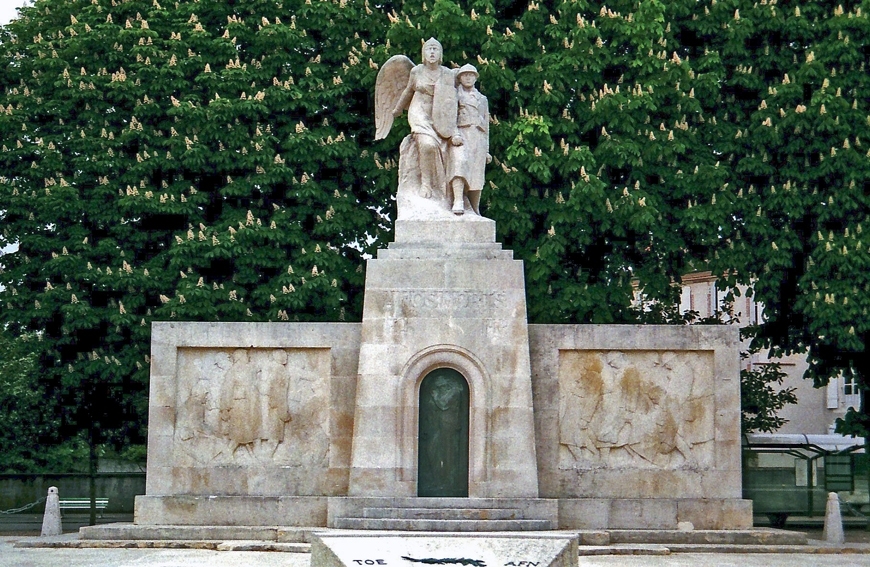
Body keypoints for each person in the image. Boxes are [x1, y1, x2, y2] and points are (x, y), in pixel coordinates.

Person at [391, 38, 462, 201]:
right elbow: (408, 92)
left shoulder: (447, 73)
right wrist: (398, 108)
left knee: (447, 148)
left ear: (440, 54)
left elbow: (453, 100)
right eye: (429, 49)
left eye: (435, 49)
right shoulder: (416, 71)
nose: (432, 52)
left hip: (440, 115)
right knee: (427, 144)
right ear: (423, 53)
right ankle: (426, 183)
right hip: (420, 112)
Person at [447, 64, 490, 215]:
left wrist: (487, 150)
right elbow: (448, 117)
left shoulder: (482, 99)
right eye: (465, 75)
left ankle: (474, 208)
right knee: (459, 163)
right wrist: (454, 134)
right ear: (459, 78)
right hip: (461, 134)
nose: (468, 77)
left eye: (471, 75)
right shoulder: (454, 95)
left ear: (475, 78)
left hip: (478, 137)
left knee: (477, 174)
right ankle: (458, 200)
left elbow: (486, 125)